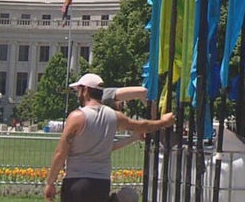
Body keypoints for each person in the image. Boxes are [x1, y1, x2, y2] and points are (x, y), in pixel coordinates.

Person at [45, 73, 173, 202]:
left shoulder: (77, 117)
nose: (77, 94)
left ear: (86, 90)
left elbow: (60, 153)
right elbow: (142, 125)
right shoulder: (114, 116)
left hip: (77, 181)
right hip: (101, 183)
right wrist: (163, 122)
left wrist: (50, 182)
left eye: (78, 90)